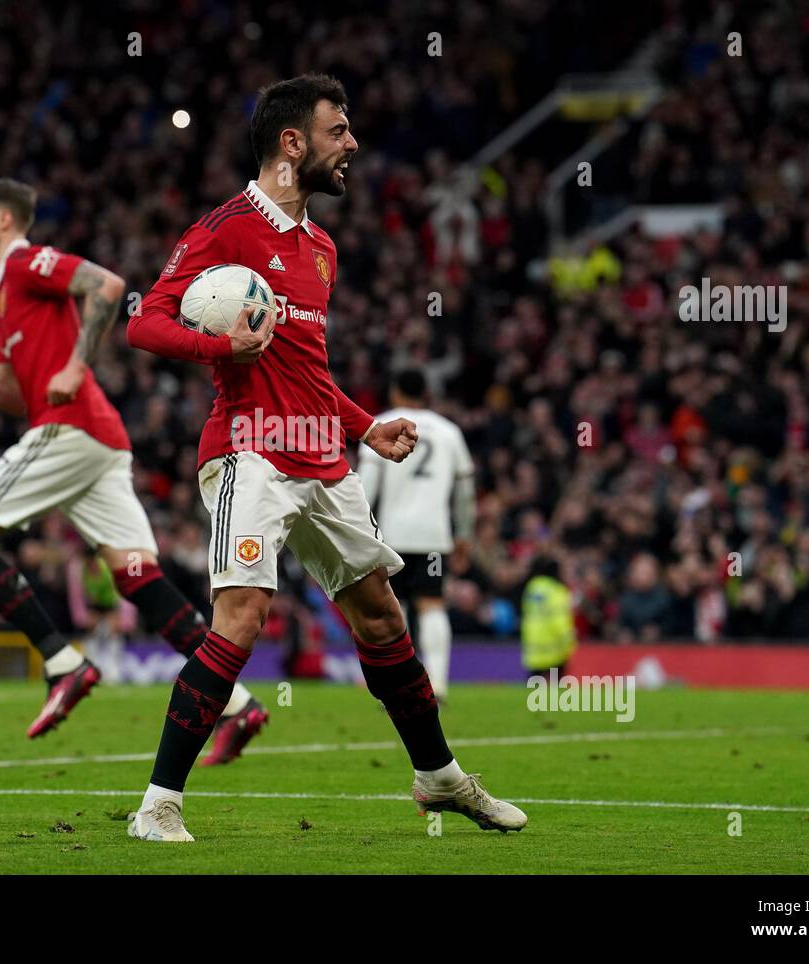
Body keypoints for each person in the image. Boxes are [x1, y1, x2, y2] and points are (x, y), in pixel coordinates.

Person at [125, 73, 527, 841]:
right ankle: (159, 805)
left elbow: (309, 371)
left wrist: (365, 424)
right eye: (338, 131)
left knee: (380, 616)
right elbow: (144, 323)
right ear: (292, 143)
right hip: (248, 452)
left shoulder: (321, 249)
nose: (352, 144)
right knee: (243, 615)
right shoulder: (226, 229)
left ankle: (439, 778)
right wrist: (220, 345)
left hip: (320, 456)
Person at [0, 178, 267, 755]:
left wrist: (79, 365)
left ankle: (62, 664)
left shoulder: (28, 262)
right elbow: (14, 395)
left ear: (5, 221)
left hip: (70, 431)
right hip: (98, 441)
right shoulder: (2, 297)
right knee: (136, 576)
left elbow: (105, 284)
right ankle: (238, 703)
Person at [359, 369, 475, 700]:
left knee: (394, 608)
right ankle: (437, 684)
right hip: (434, 538)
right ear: (426, 393)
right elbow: (464, 492)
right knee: (432, 604)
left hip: (390, 536)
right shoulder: (450, 432)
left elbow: (366, 487)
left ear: (395, 392)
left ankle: (403, 686)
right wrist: (463, 533)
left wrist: (359, 531)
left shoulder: (379, 425)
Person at [520, 557, 577, 680]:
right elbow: (559, 620)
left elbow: (526, 613)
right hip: (553, 649)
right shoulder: (557, 590)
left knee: (532, 690)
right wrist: (569, 643)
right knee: (556, 691)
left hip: (533, 648)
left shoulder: (532, 587)